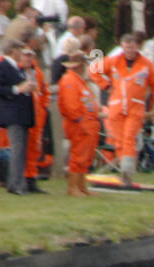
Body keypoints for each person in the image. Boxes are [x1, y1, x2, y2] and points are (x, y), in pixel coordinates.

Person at [94, 33, 154, 185]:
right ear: (122, 46)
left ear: (137, 47)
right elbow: (93, 69)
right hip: (116, 107)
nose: (130, 50)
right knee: (119, 141)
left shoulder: (146, 64)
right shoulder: (113, 61)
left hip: (135, 107)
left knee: (129, 138)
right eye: (127, 47)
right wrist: (105, 85)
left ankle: (127, 173)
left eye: (132, 47)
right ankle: (124, 171)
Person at [0, 37, 35, 194]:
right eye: (19, 50)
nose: (21, 53)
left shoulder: (19, 69)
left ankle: (18, 182)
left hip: (22, 113)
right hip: (12, 113)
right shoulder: (0, 67)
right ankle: (15, 184)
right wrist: (17, 89)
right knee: (16, 148)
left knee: (22, 149)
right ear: (12, 50)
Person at [57, 51, 98, 194]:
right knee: (78, 155)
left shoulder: (79, 81)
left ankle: (81, 186)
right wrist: (80, 120)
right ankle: (72, 187)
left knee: (85, 156)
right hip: (79, 124)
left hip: (87, 123)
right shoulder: (69, 80)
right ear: (80, 65)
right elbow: (71, 105)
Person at [20, 42, 51, 192]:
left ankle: (31, 179)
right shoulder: (16, 72)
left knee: (34, 150)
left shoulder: (37, 73)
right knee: (21, 149)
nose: (28, 59)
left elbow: (44, 92)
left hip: (37, 117)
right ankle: (21, 179)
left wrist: (43, 109)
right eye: (25, 56)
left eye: (30, 56)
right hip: (23, 116)